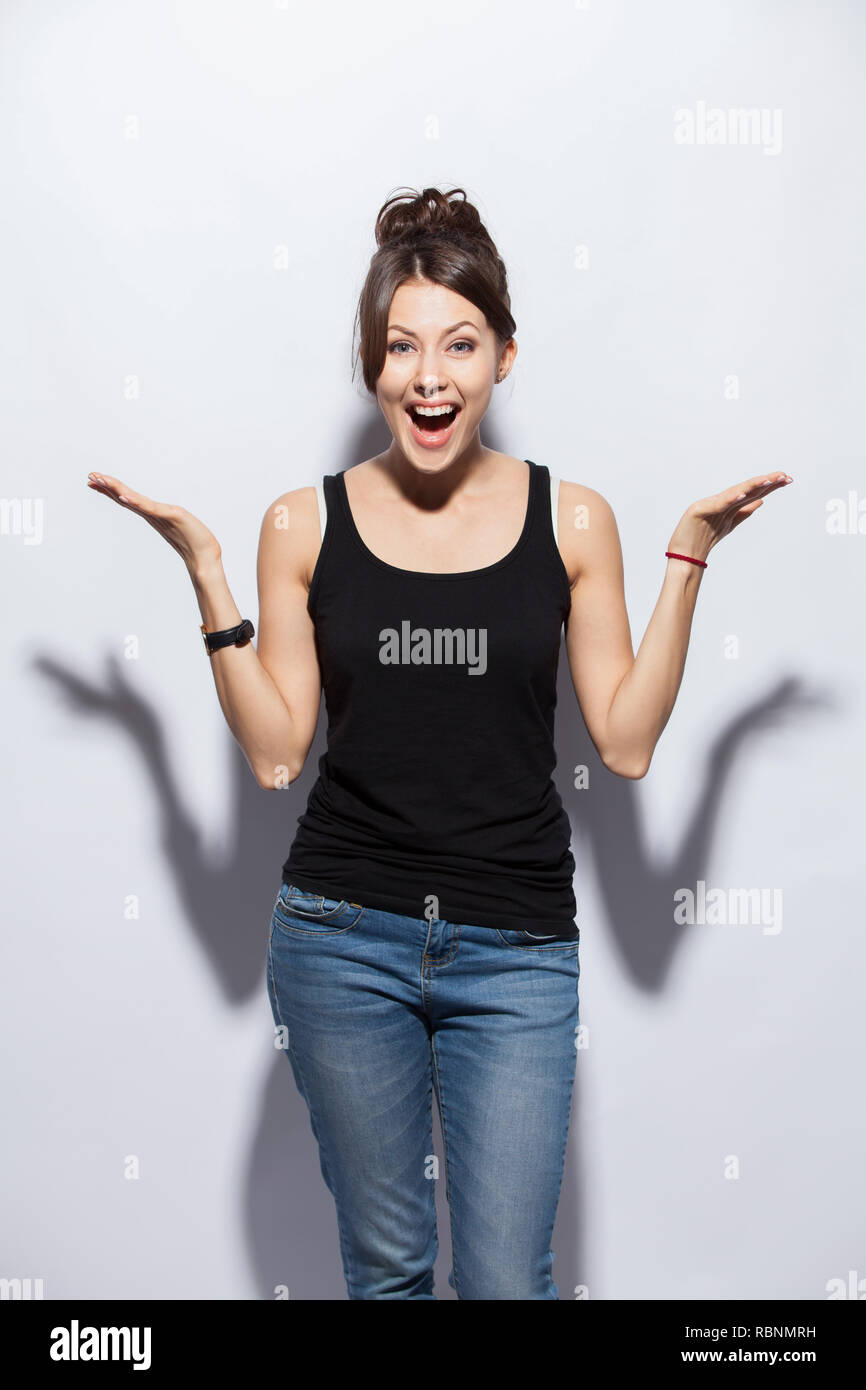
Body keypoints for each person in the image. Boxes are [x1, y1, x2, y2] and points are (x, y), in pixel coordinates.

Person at [86, 185, 791, 1300]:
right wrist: (211, 576)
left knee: (509, 1281)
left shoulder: (572, 519)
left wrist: (688, 554)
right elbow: (276, 755)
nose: (428, 375)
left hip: (515, 948)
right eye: (400, 347)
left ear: (503, 357)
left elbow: (624, 745)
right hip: (338, 938)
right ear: (368, 364)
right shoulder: (299, 523)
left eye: (458, 344)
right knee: (388, 1271)